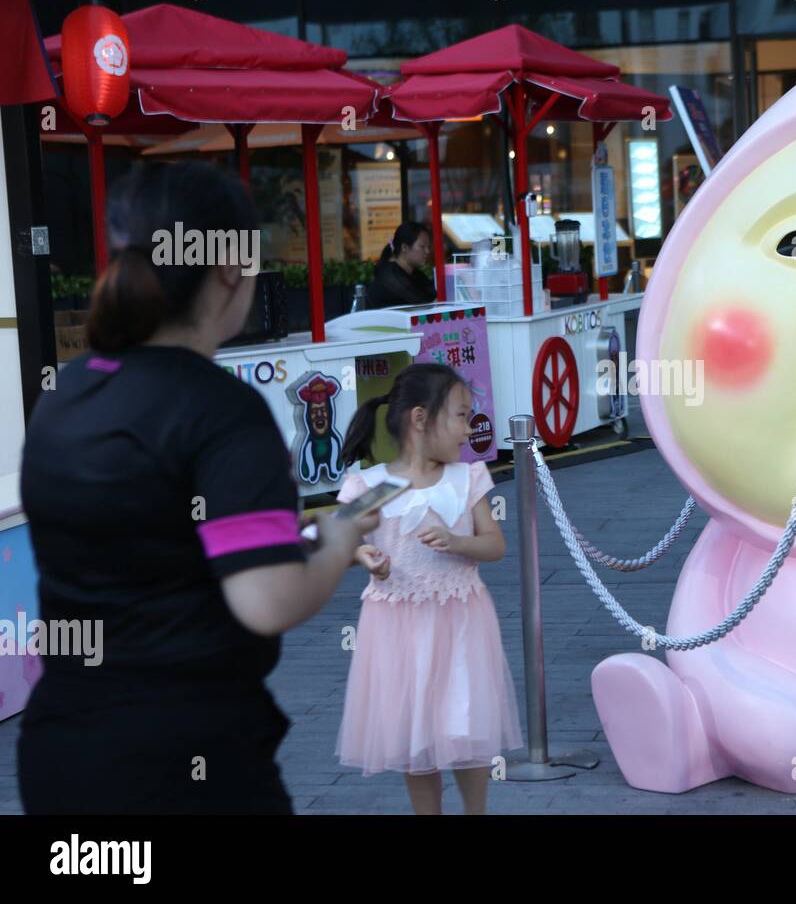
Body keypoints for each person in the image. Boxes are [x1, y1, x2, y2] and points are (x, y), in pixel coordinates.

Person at [17, 162, 378, 813]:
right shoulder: (223, 411)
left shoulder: (64, 394)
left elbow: (141, 538)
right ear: (230, 268)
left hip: (61, 756)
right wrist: (335, 541)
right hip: (186, 765)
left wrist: (264, 538)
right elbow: (267, 601)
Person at [335, 363, 521, 814]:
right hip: (398, 627)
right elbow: (337, 541)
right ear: (421, 419)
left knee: (466, 724)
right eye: (460, 415)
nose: (468, 429)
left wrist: (459, 543)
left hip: (459, 621)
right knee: (414, 731)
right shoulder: (375, 486)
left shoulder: (467, 478)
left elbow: (494, 544)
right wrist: (365, 557)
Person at [367, 221, 435, 308]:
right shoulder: (389, 275)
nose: (427, 251)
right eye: (422, 247)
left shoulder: (415, 273)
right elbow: (423, 304)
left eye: (428, 247)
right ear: (404, 247)